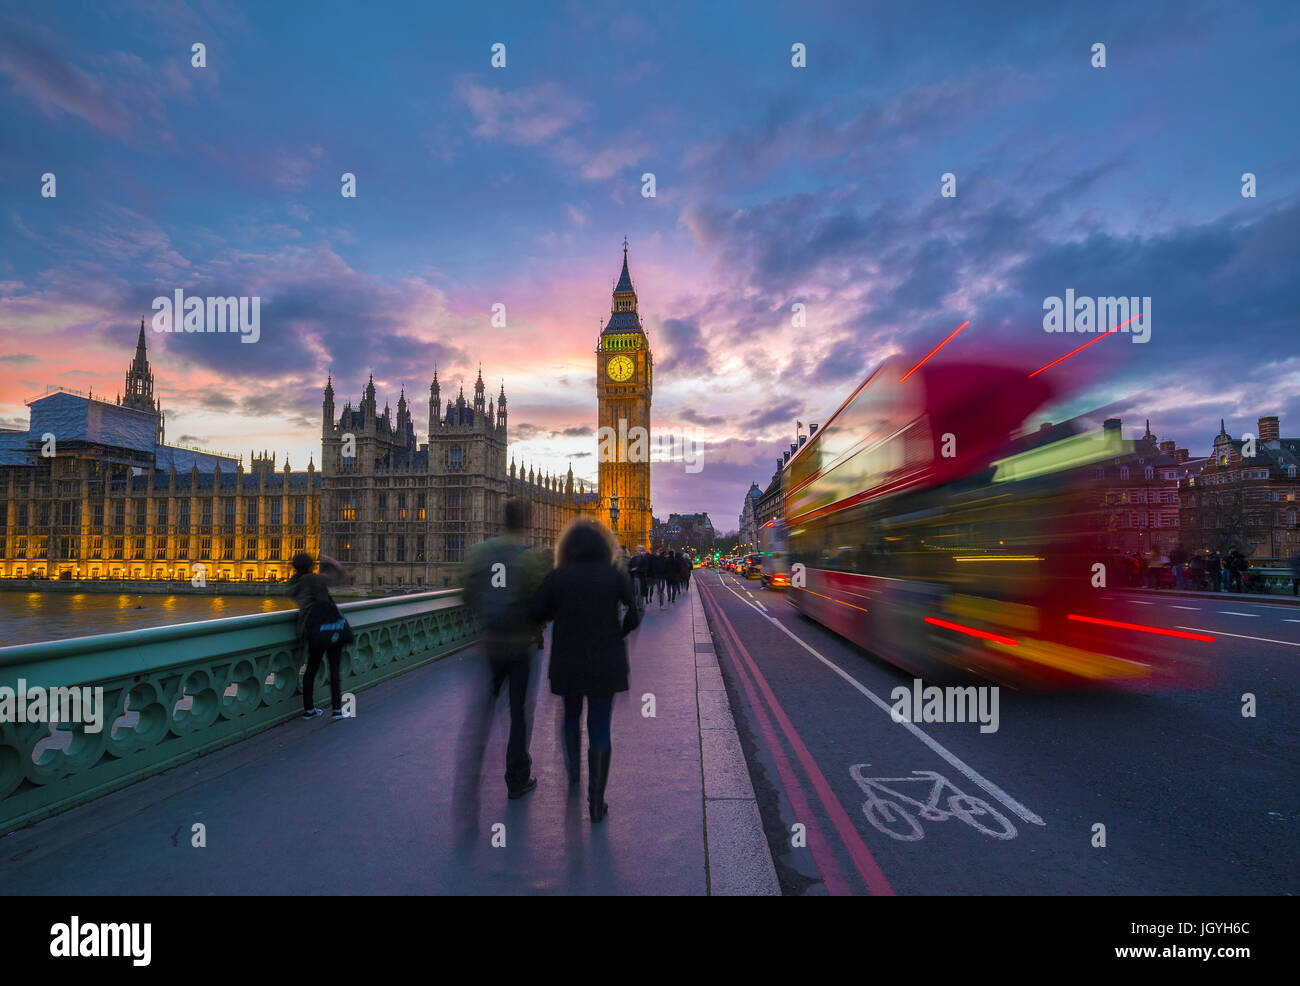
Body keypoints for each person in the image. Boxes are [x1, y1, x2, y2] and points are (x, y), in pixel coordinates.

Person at [533, 518, 641, 822]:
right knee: (599, 726)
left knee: (570, 716)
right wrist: (618, 633)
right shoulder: (613, 574)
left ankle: (574, 774)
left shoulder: (559, 575)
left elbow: (537, 611)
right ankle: (596, 802)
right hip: (606, 662)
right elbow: (634, 612)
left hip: (568, 661)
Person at [460, 499, 549, 799]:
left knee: (481, 714)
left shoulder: (480, 551)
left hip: (490, 645)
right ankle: (516, 778)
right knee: (519, 714)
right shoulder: (530, 556)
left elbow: (467, 592)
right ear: (526, 522)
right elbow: (542, 601)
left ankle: (469, 785)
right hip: (521, 647)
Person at [286, 551, 349, 720]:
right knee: (334, 669)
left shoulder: (294, 583)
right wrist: (332, 562)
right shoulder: (313, 579)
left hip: (309, 628)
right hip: (327, 627)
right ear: (309, 565)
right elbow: (340, 578)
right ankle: (336, 710)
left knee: (311, 669)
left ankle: (309, 710)